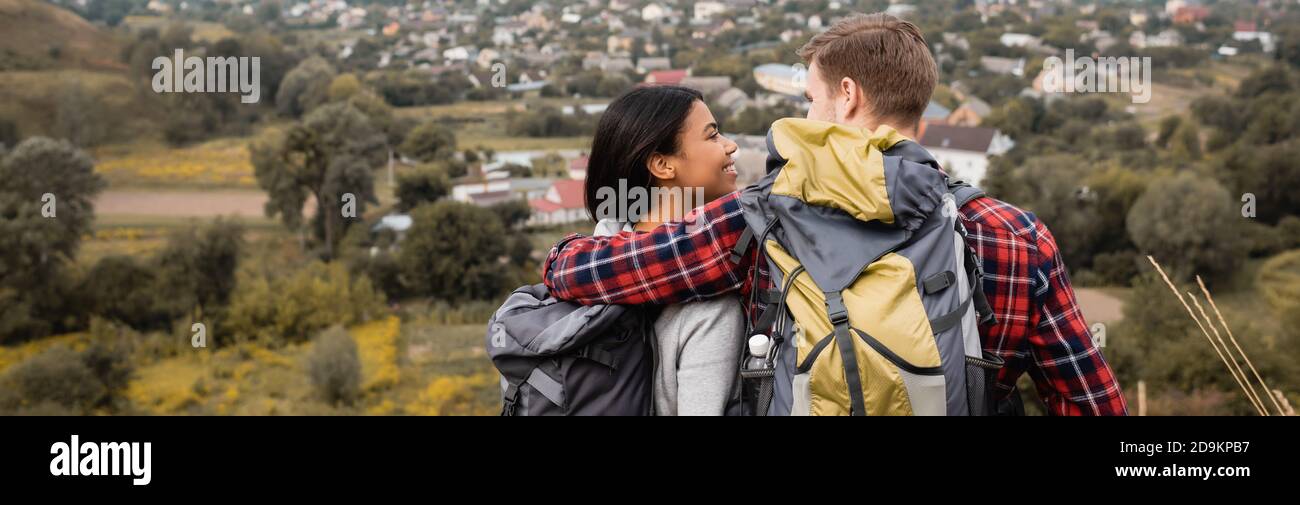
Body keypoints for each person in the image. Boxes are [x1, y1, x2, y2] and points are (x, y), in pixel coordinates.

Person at [543, 13, 1127, 415]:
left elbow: (603, 273)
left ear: (846, 96)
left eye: (811, 99)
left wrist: (563, 255)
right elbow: (1091, 402)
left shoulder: (757, 220)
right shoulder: (1015, 236)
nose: (808, 111)